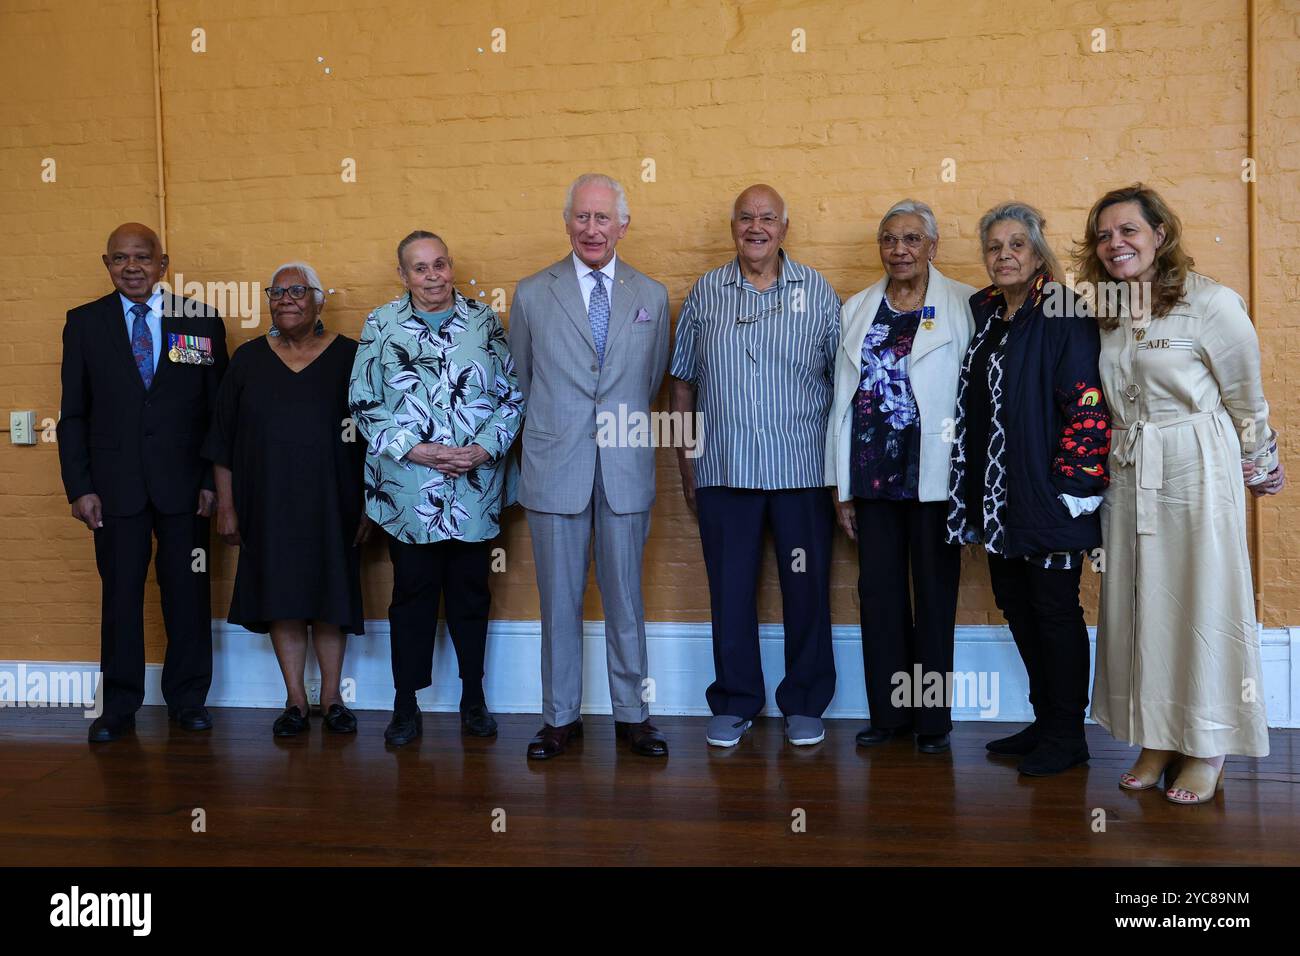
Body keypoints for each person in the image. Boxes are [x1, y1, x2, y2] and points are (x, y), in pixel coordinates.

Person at [1078, 184, 1284, 804]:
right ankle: (1158, 734)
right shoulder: (1106, 311)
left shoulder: (1213, 304)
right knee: (1141, 604)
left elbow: (1245, 395)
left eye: (1129, 231)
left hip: (1197, 465)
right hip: (1128, 467)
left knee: (1201, 601)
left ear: (1159, 235)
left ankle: (1208, 742)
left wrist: (1261, 460)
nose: (1116, 244)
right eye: (1104, 235)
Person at [670, 184, 841, 748]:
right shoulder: (705, 294)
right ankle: (736, 701)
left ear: (785, 228)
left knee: (806, 590)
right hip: (724, 471)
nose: (756, 227)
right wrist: (686, 461)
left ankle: (806, 702)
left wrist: (842, 474)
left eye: (768, 218)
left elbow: (845, 388)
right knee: (731, 590)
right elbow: (682, 382)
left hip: (802, 474)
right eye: (746, 218)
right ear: (733, 228)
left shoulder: (817, 292)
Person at [509, 173, 671, 759]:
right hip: (555, 468)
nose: (592, 228)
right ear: (567, 223)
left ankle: (634, 716)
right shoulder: (531, 293)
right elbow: (525, 379)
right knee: (558, 601)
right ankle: (559, 718)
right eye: (582, 217)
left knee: (626, 597)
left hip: (624, 466)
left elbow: (648, 382)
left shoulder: (651, 296)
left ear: (623, 226)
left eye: (603, 218)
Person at [946, 202, 1111, 776]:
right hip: (998, 499)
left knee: (1055, 612)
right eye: (994, 247)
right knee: (1017, 606)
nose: (1004, 255)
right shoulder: (989, 312)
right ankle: (1046, 722)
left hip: (1052, 496)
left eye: (1017, 245)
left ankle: (1069, 735)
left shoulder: (1063, 311)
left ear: (1038, 252)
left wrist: (1074, 486)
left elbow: (1087, 404)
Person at [350, 232, 523, 747]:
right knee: (412, 597)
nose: (432, 277)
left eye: (440, 265)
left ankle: (474, 698)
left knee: (471, 595)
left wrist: (484, 449)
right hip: (408, 494)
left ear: (451, 267)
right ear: (403, 275)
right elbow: (362, 404)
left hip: (473, 491)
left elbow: (511, 395)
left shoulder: (484, 320)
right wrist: (416, 449)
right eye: (420, 269)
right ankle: (406, 704)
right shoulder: (381, 325)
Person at [58, 222, 228, 742]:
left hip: (185, 488)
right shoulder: (84, 324)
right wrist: (80, 486)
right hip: (114, 490)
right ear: (106, 263)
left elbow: (216, 412)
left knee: (187, 595)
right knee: (122, 597)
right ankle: (119, 707)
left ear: (163, 263)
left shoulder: (199, 320)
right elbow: (74, 415)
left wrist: (209, 479)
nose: (131, 266)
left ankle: (188, 698)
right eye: (119, 258)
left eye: (142, 257)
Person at [826, 199, 975, 754]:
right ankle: (889, 716)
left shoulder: (964, 303)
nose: (900, 249)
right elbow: (840, 403)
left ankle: (932, 721)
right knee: (879, 597)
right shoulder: (858, 308)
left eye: (912, 239)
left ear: (933, 247)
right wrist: (839, 485)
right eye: (890, 239)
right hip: (873, 480)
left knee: (935, 598)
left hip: (936, 479)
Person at [203, 262, 371, 737]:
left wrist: (369, 504)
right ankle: (296, 700)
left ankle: (333, 699)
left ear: (320, 299)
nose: (286, 299)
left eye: (298, 290)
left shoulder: (350, 357)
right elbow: (223, 439)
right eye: (276, 292)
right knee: (282, 599)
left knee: (330, 597)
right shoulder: (248, 360)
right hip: (266, 503)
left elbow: (374, 441)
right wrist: (228, 506)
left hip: (333, 502)